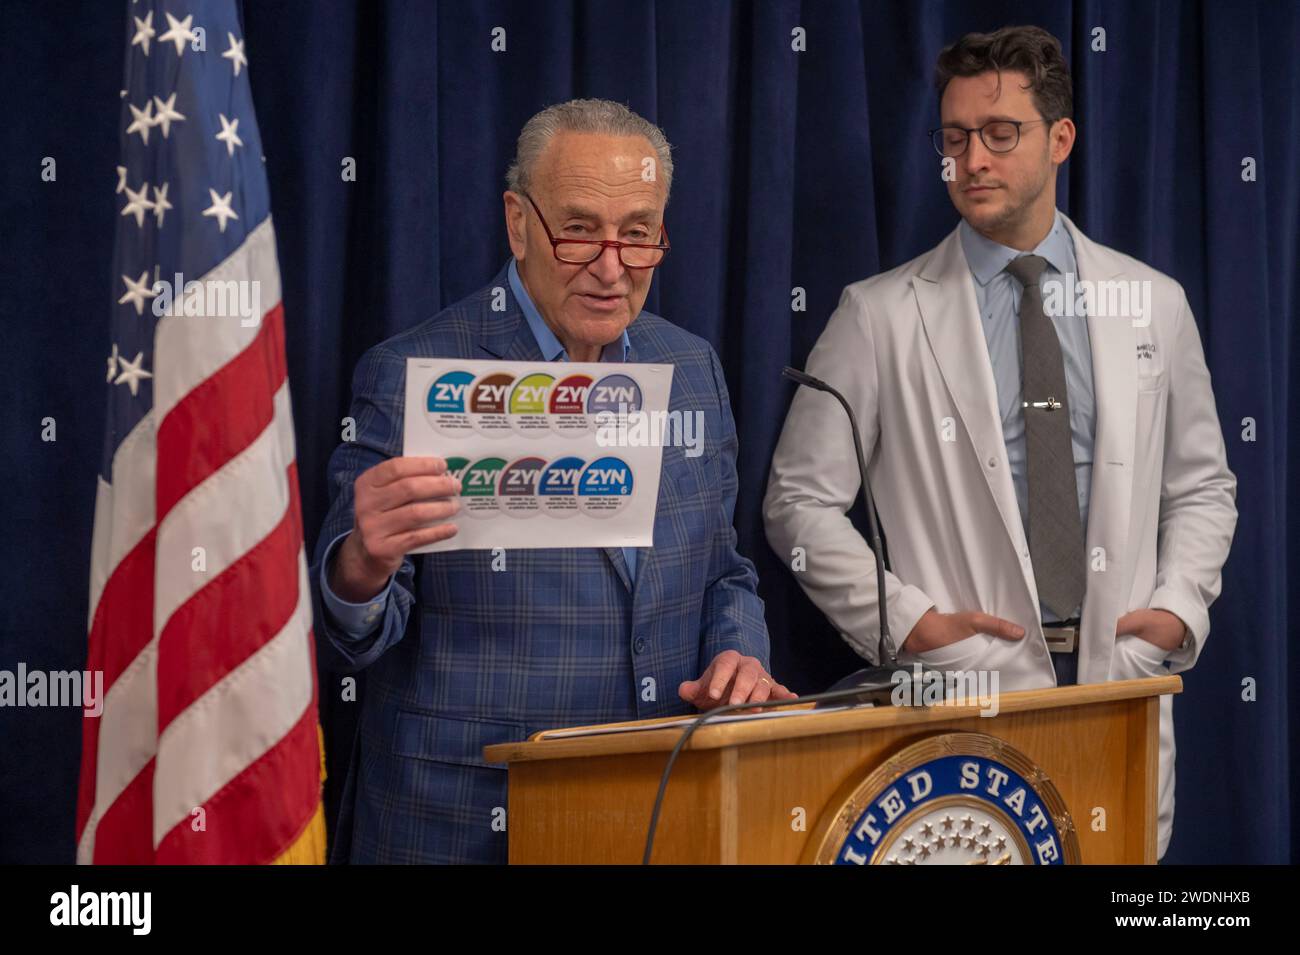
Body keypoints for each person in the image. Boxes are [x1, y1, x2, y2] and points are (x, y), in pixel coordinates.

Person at [763, 26, 1236, 860]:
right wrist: (908, 624)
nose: (970, 160)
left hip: (1116, 687)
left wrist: (1174, 612)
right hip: (959, 703)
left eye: (998, 134)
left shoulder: (1152, 302)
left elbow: (1201, 485)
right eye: (953, 138)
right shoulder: (877, 314)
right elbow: (797, 504)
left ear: (1061, 139)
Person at [312, 98, 793, 864]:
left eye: (637, 235)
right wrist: (361, 567)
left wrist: (742, 652)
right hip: (463, 824)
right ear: (518, 222)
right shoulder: (416, 373)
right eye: (578, 230)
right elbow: (346, 638)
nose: (610, 267)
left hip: (660, 807)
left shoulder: (692, 368)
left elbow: (722, 570)